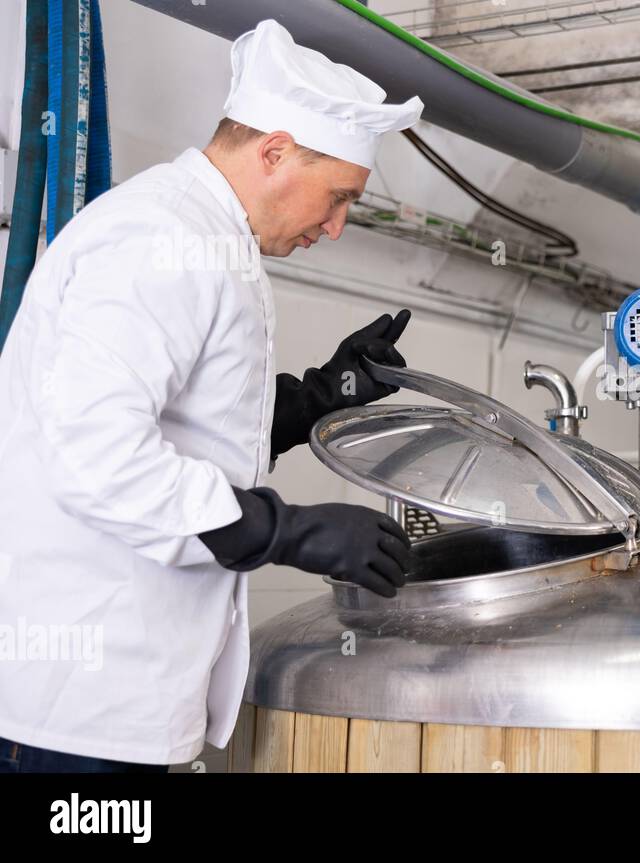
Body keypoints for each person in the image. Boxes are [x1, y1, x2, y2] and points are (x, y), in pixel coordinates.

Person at [0, 19, 424, 772]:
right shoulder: (155, 238)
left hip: (123, 696)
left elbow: (191, 433)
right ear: (274, 152)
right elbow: (100, 458)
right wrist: (290, 532)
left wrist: (324, 395)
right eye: (337, 198)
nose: (335, 227)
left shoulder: (206, 237)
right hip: (73, 709)